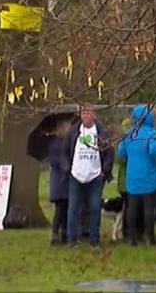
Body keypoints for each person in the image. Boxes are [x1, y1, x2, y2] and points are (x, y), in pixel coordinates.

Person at [61, 105, 115, 248]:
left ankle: (94, 240)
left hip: (95, 177)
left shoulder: (101, 133)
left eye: (89, 113)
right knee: (73, 209)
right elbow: (64, 153)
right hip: (76, 176)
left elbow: (109, 153)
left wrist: (104, 171)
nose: (86, 116)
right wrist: (68, 169)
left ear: (94, 115)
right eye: (84, 113)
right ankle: (72, 240)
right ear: (80, 115)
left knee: (95, 208)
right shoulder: (73, 132)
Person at [118, 105, 156, 246]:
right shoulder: (151, 134)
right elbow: (154, 151)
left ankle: (131, 238)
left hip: (132, 176)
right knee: (148, 209)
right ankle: (150, 238)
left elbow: (121, 154)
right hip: (149, 175)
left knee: (132, 208)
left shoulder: (128, 134)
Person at [46, 119, 73, 246]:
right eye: (67, 127)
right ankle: (55, 232)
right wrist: (66, 165)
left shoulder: (67, 142)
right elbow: (55, 160)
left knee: (66, 207)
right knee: (60, 208)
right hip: (59, 180)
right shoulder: (55, 144)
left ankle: (64, 232)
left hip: (66, 179)